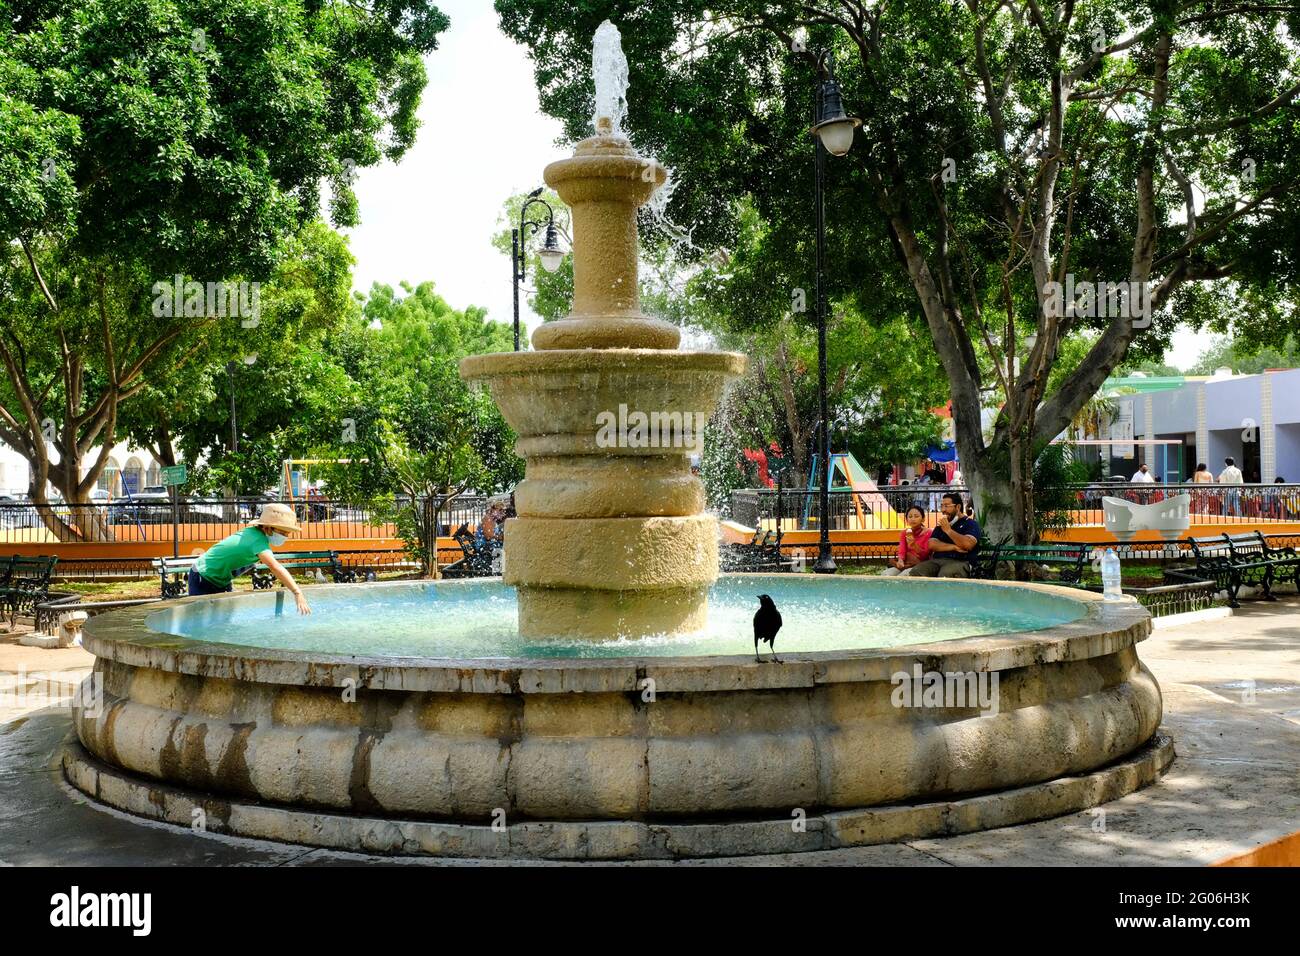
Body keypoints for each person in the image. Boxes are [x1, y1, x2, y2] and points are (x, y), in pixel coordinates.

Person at [188, 502, 311, 614]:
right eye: (283, 533)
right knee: (200, 617)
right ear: (267, 527)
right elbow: (275, 567)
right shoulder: (257, 540)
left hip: (220, 580)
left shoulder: (255, 534)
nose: (285, 537)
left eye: (287, 534)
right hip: (202, 576)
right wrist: (297, 592)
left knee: (224, 618)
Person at [911, 493, 982, 578]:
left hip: (962, 561)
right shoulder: (942, 524)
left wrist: (949, 531)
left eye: (947, 506)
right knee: (917, 571)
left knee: (946, 573)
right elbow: (932, 544)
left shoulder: (970, 523)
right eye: (942, 506)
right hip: (938, 560)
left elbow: (968, 544)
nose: (943, 510)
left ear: (958, 507)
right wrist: (954, 547)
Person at [882, 505, 931, 575]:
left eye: (916, 516)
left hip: (920, 564)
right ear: (907, 520)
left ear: (923, 519)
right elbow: (902, 550)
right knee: (886, 574)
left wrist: (914, 545)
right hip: (906, 563)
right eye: (910, 517)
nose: (913, 519)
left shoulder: (928, 533)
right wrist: (900, 560)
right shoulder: (904, 533)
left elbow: (926, 555)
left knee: (904, 575)